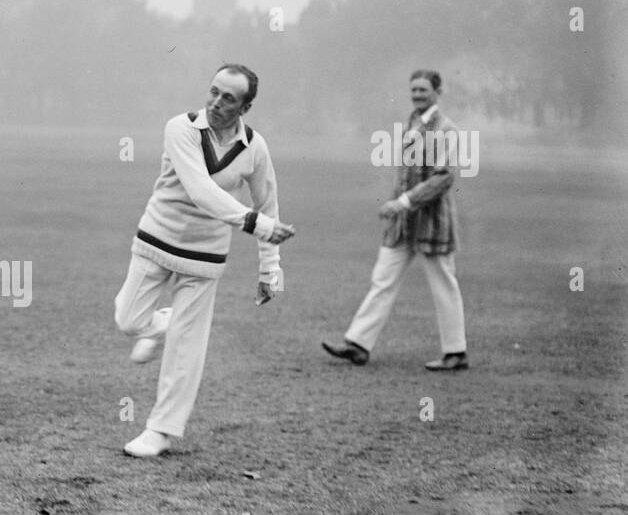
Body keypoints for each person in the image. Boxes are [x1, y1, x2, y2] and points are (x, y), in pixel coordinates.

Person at [114, 63, 295, 458]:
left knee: (187, 345)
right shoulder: (180, 128)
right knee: (127, 320)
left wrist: (270, 269)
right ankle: (159, 322)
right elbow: (200, 190)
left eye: (228, 98)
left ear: (245, 107)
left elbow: (269, 202)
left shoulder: (255, 148)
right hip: (156, 239)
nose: (215, 102)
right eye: (213, 91)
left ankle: (160, 431)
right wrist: (255, 224)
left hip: (205, 256)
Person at [322, 69, 468, 371]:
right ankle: (358, 344)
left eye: (423, 90)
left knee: (444, 284)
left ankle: (456, 352)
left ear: (437, 92)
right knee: (382, 279)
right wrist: (398, 205)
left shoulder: (447, 130)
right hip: (403, 223)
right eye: (414, 89)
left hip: (433, 222)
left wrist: (402, 202)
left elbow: (444, 178)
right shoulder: (412, 123)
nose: (417, 95)